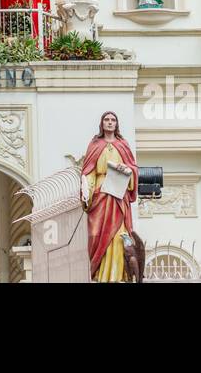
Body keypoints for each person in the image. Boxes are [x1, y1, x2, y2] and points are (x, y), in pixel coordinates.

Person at [79, 110, 138, 282]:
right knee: (97, 234)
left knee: (119, 236)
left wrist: (126, 170)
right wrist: (86, 191)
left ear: (116, 124)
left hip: (119, 194)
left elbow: (133, 169)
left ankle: (118, 275)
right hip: (100, 193)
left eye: (113, 120)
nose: (110, 122)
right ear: (102, 123)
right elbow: (89, 171)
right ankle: (99, 274)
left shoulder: (123, 144)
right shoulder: (95, 145)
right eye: (107, 120)